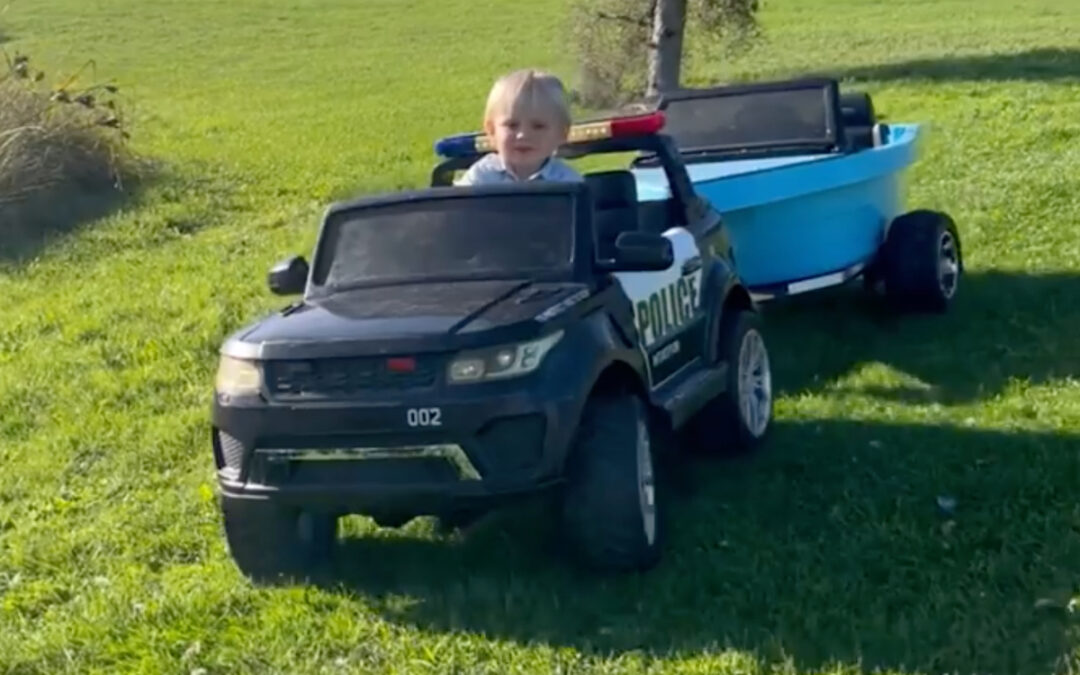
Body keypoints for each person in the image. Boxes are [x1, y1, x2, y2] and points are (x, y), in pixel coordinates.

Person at [455, 69, 583, 186]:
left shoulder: (568, 183)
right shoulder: (480, 178)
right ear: (492, 130)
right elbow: (458, 210)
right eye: (512, 125)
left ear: (562, 133)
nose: (523, 135)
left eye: (538, 126)